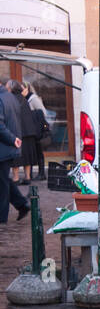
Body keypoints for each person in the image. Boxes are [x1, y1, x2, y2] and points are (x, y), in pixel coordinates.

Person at [0, 82, 31, 222]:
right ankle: (22, 204)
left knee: (2, 184)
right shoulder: (10, 97)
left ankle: (2, 217)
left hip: (4, 146)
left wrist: (12, 139)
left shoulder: (2, 98)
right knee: (3, 179)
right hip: (9, 145)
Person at [22, 81, 49, 182]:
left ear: (27, 89)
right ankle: (30, 174)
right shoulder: (24, 100)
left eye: (22, 89)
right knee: (32, 152)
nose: (21, 91)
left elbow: (43, 112)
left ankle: (42, 173)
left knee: (38, 151)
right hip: (31, 129)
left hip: (37, 129)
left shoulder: (33, 99)